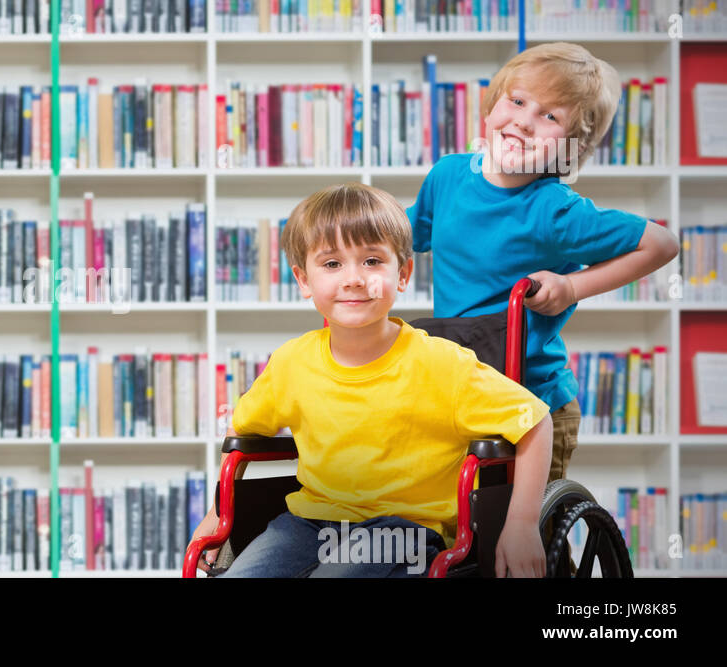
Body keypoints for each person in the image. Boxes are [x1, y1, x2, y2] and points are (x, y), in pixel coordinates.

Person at [190, 183, 552, 577]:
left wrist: (521, 525)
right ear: (303, 279)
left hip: (403, 529)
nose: (353, 279)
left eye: (372, 261)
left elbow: (535, 421)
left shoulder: (443, 364)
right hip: (308, 523)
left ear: (403, 273)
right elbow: (242, 430)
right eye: (332, 264)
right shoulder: (292, 362)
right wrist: (216, 514)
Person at [408, 43, 680, 482]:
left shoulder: (556, 211)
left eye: (550, 116)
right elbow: (406, 234)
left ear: (572, 149)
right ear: (493, 103)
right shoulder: (448, 176)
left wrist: (572, 288)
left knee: (529, 536)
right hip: (462, 391)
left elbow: (662, 244)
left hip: (533, 403)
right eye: (517, 101)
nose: (523, 120)